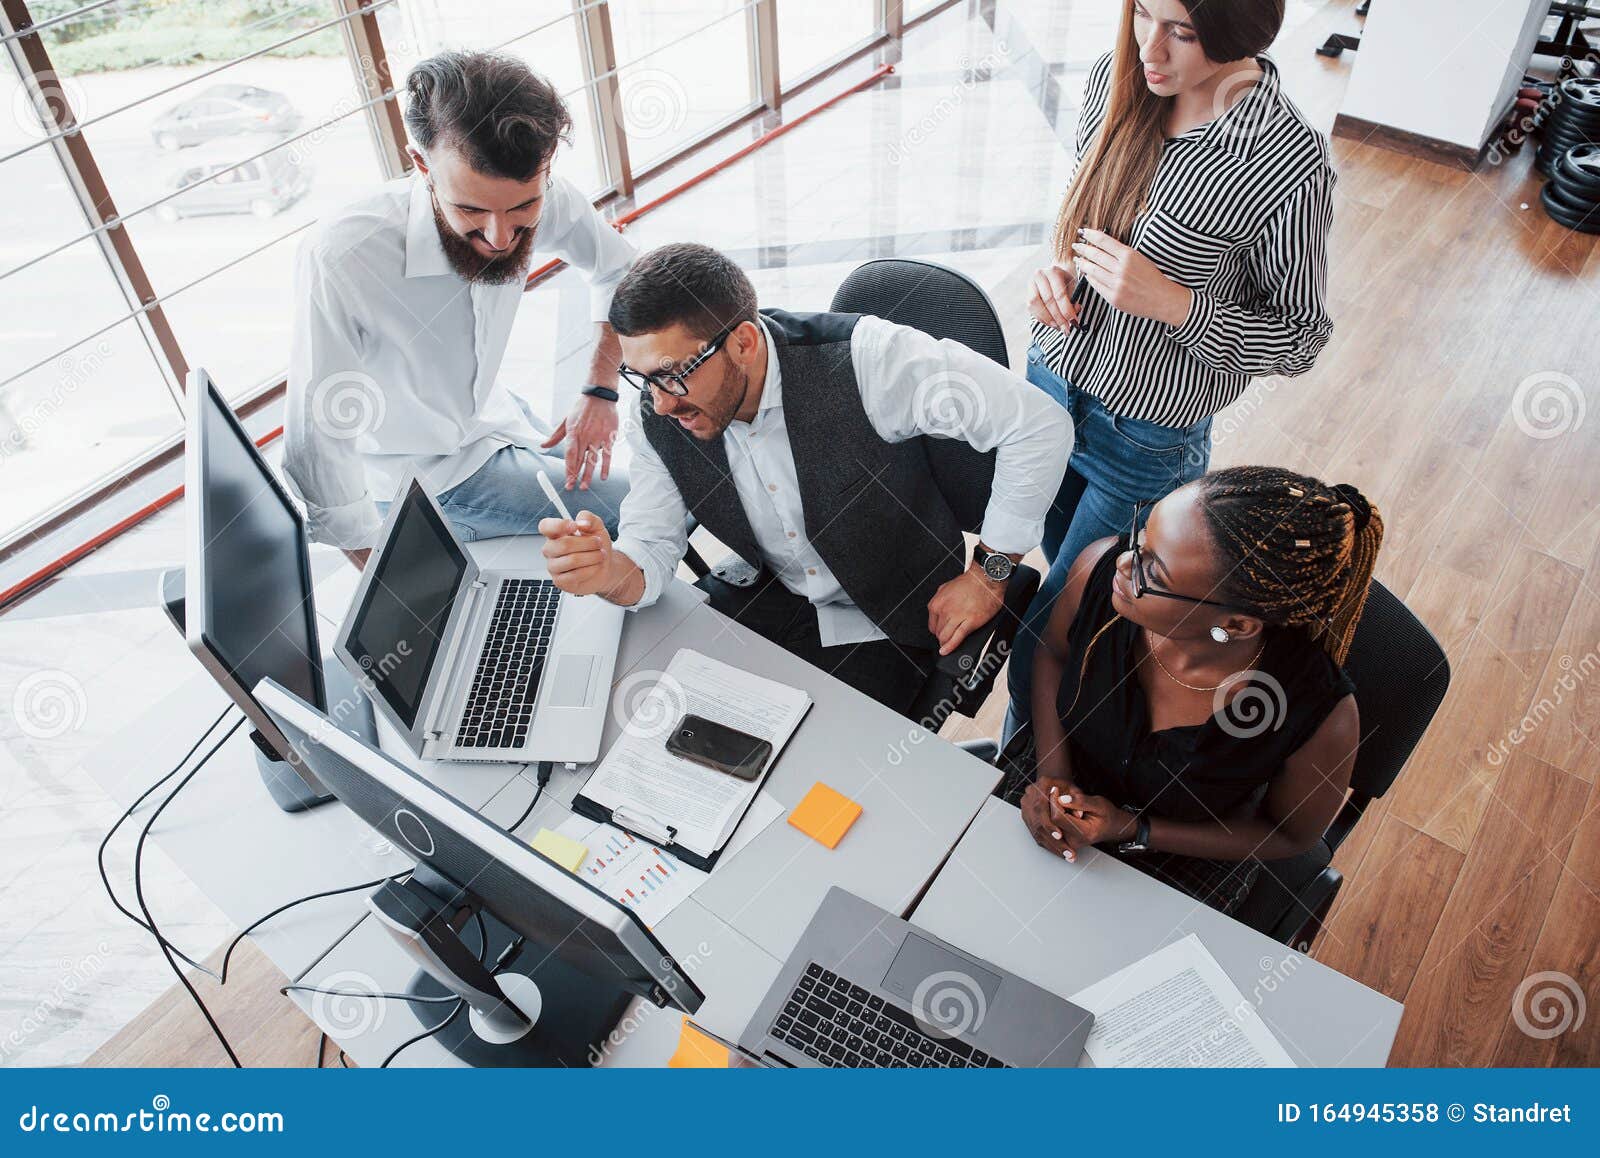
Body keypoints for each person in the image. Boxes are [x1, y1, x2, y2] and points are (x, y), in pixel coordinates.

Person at [539, 243, 1072, 717]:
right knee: (655, 722)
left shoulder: (869, 361)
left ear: (744, 342)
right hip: (766, 593)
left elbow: (1039, 424)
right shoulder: (657, 411)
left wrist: (989, 574)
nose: (660, 401)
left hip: (886, 618)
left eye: (674, 373)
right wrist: (611, 572)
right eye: (642, 377)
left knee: (819, 788)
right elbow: (650, 545)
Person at [1008, 0, 1336, 731]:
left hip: (1144, 440)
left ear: (1237, 32)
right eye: (1142, 13)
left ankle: (1019, 790)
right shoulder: (1117, 78)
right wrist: (1057, 273)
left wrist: (1177, 304)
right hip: (1050, 388)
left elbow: (1300, 337)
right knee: (1075, 596)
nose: (1151, 47)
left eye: (1182, 32)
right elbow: (1088, 221)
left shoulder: (1287, 162)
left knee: (1044, 639)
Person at [284, 51, 636, 567]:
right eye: (471, 209)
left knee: (660, 483)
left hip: (494, 418)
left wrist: (600, 389)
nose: (499, 238)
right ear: (422, 163)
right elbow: (317, 439)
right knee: (641, 506)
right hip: (424, 476)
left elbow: (619, 269)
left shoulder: (545, 193)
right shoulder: (345, 255)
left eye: (522, 210)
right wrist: (387, 578)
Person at [1009, 466, 1382, 915]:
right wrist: (1053, 776)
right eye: (1141, 538)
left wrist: (1133, 828)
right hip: (1062, 772)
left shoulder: (1320, 713)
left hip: (1187, 847)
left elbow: (1290, 834)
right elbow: (1053, 653)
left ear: (1237, 625)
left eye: (1154, 574)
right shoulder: (1098, 569)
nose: (1125, 563)